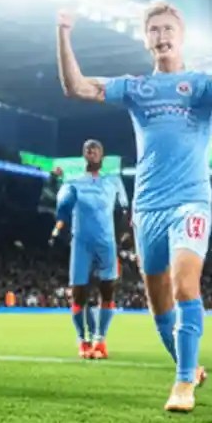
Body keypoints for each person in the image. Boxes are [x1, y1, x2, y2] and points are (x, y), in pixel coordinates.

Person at [56, 1, 212, 412]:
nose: (162, 35)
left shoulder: (201, 85)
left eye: (168, 28)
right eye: (154, 30)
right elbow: (76, 87)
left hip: (190, 200)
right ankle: (190, 365)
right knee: (159, 306)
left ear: (181, 35)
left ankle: (183, 384)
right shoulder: (136, 87)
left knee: (185, 286)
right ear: (146, 39)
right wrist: (63, 32)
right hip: (147, 206)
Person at [53, 139, 129, 359]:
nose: (92, 150)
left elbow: (124, 210)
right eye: (88, 148)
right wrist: (58, 228)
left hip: (106, 242)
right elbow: (62, 208)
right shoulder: (73, 182)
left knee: (107, 290)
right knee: (79, 294)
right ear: (84, 154)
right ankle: (83, 340)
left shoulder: (113, 181)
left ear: (102, 155)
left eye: (96, 148)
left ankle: (100, 340)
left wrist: (125, 234)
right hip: (81, 243)